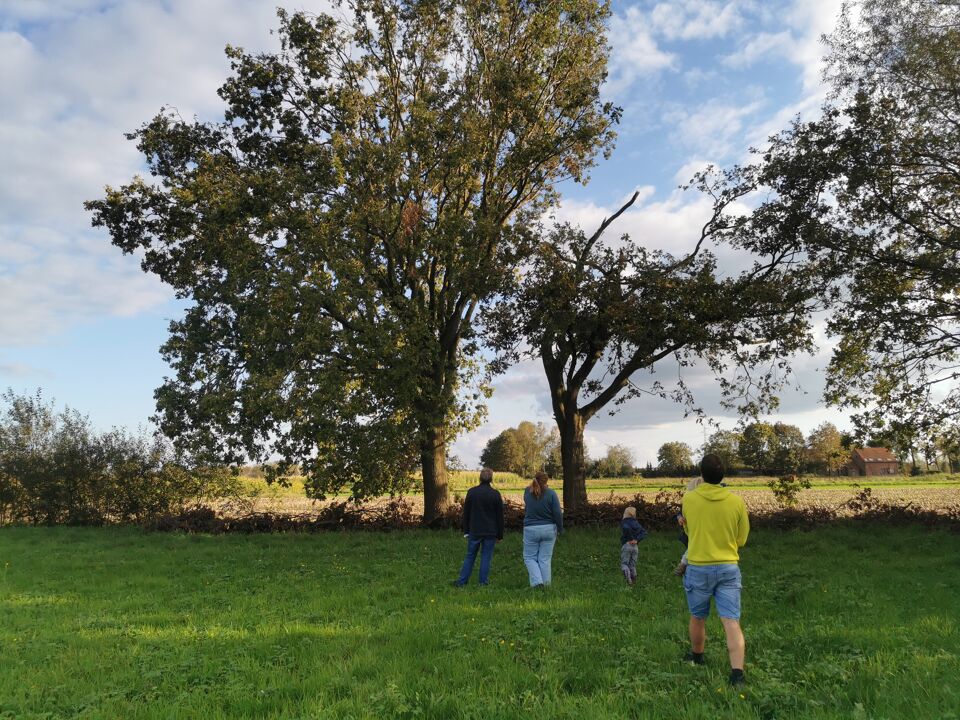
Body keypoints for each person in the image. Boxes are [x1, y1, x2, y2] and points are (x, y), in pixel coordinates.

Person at [681, 453, 750, 687]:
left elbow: (689, 532)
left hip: (699, 567)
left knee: (698, 617)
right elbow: (742, 539)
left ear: (701, 474)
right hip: (729, 567)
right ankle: (737, 674)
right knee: (731, 621)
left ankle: (697, 656)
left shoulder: (689, 500)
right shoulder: (737, 502)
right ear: (723, 475)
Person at [454, 468, 504, 586]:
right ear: (491, 479)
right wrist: (500, 535)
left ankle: (462, 581)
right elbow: (499, 517)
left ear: (480, 478)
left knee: (470, 556)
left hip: (475, 530)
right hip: (490, 531)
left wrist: (466, 530)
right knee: (486, 557)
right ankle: (483, 582)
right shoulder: (495, 494)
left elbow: (466, 512)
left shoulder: (472, 492)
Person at [522, 471, 563, 588]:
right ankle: (546, 585)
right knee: (545, 558)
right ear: (547, 481)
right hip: (549, 529)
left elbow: (528, 506)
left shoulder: (527, 491)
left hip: (530, 529)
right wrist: (560, 529)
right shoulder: (551, 494)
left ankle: (537, 582)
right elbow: (557, 513)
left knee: (529, 558)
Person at [673, 476, 704, 576]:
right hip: (691, 531)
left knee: (694, 549)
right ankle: (684, 567)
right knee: (693, 549)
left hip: (701, 531)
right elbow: (679, 512)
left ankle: (682, 567)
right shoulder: (688, 501)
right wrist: (679, 517)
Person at [619, 506, 647, 585]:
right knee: (632, 565)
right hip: (635, 546)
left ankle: (628, 580)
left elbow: (626, 528)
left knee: (624, 563)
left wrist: (630, 538)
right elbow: (644, 532)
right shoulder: (636, 522)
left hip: (627, 544)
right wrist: (637, 540)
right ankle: (634, 580)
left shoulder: (624, 521)